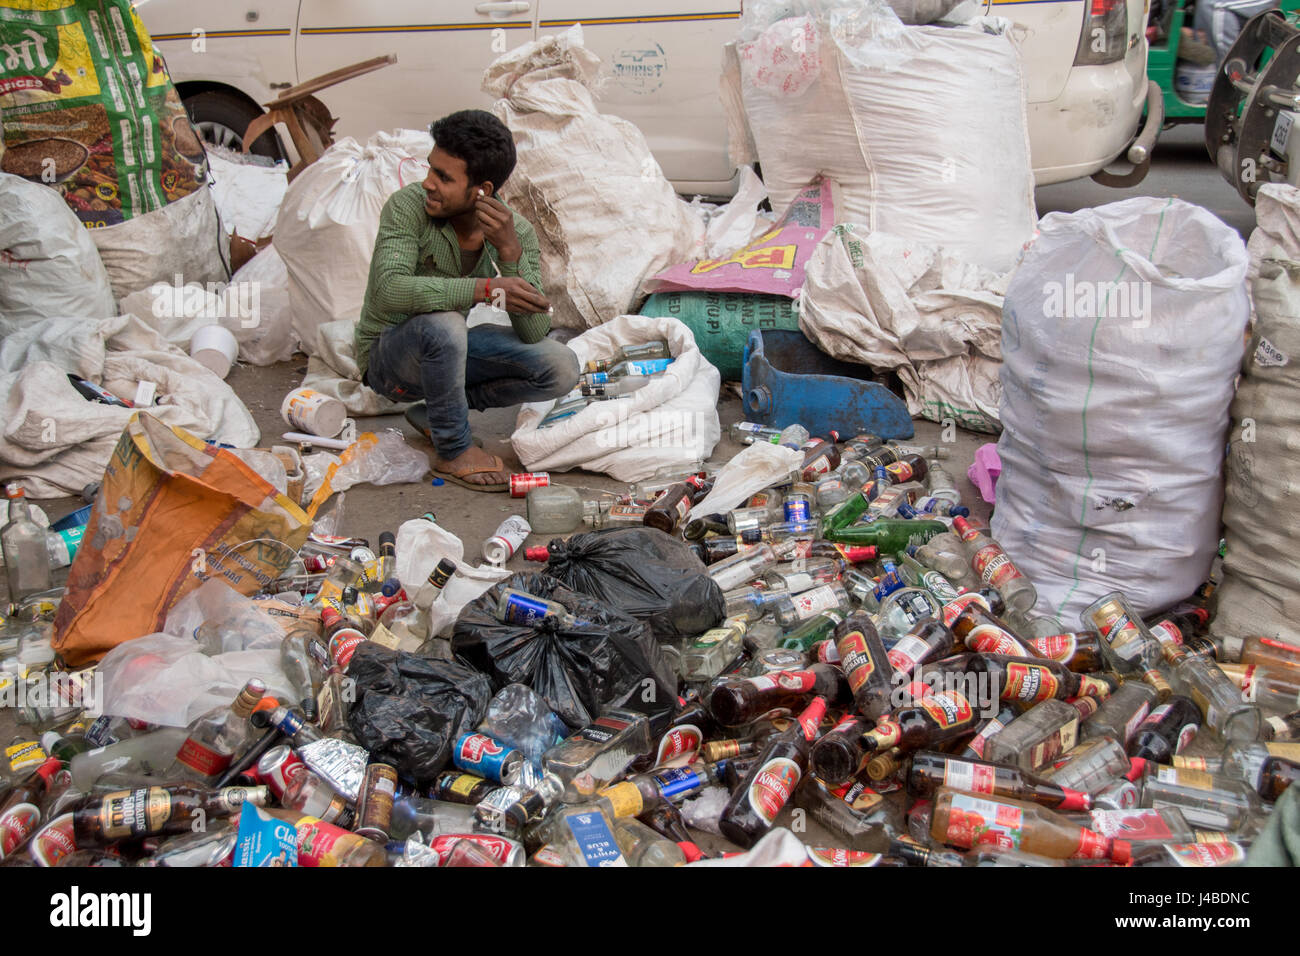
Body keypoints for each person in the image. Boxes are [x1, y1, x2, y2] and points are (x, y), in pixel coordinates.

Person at [355, 109, 578, 491]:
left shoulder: (513, 231)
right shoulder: (406, 207)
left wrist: (509, 252)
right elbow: (387, 290)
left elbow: (535, 330)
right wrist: (484, 289)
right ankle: (454, 449)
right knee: (445, 323)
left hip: (446, 355)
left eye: (443, 177)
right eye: (430, 169)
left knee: (560, 365)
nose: (427, 183)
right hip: (389, 361)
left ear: (483, 190)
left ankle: (436, 414)